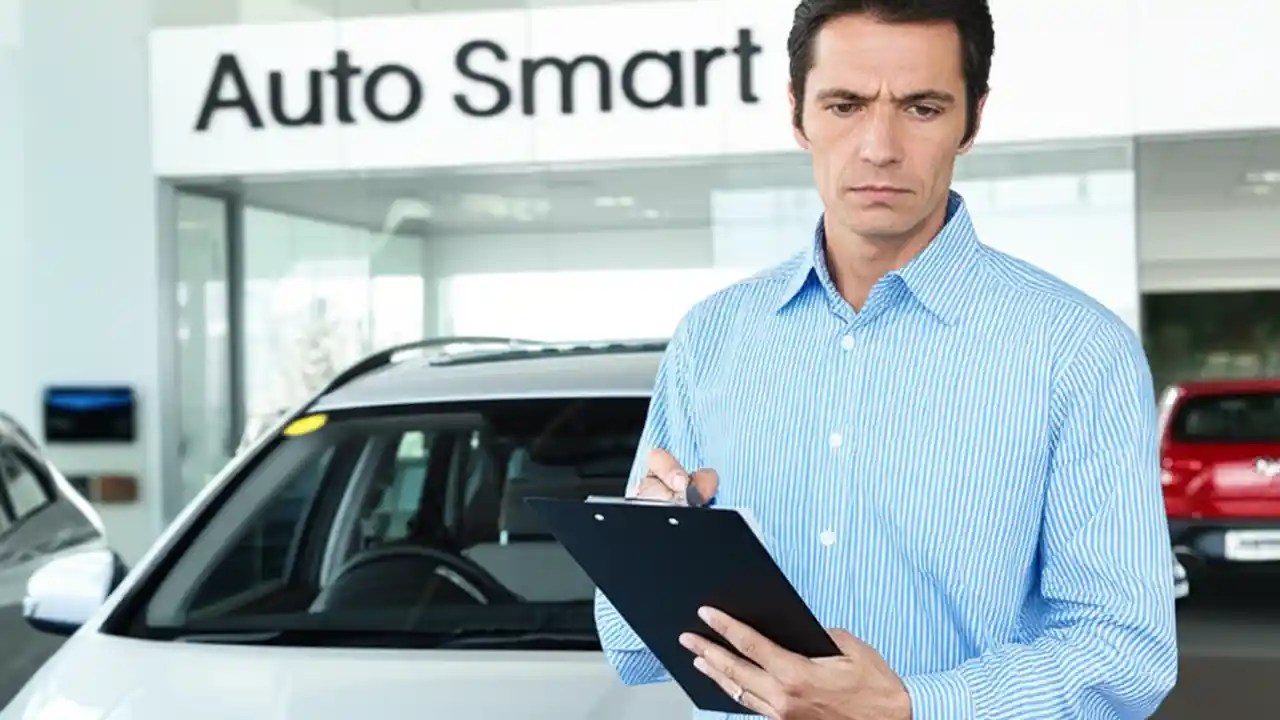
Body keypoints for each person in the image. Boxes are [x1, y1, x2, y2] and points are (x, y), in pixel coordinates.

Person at [592, 0, 1179, 718]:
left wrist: (911, 706)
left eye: (922, 107)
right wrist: (654, 552)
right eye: (844, 104)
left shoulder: (1078, 352)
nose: (878, 146)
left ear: (974, 120)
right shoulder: (712, 338)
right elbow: (629, 649)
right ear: (797, 113)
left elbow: (1125, 651)